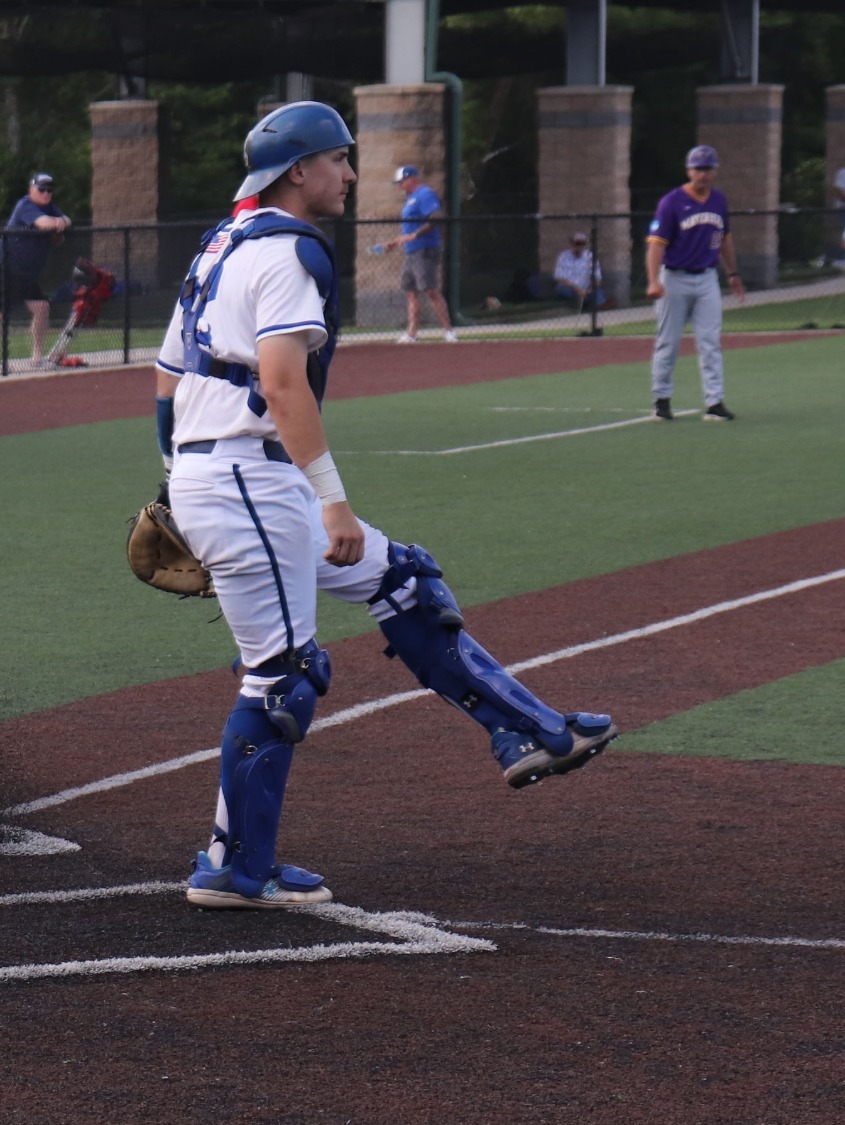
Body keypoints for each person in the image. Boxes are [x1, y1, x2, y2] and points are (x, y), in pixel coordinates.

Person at [152, 102, 617, 910]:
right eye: (339, 159)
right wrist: (331, 502)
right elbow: (282, 383)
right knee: (282, 680)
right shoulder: (287, 252)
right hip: (249, 482)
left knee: (404, 580)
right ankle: (233, 869)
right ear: (299, 171)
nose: (352, 173)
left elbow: (166, 379)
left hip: (234, 478)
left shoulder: (221, 244)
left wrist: (176, 479)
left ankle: (528, 731)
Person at [645, 144, 745, 423]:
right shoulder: (671, 202)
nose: (703, 173)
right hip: (674, 278)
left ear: (715, 171)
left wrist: (733, 273)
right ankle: (661, 400)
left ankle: (714, 402)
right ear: (689, 171)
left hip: (706, 278)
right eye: (698, 168)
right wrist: (653, 280)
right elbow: (656, 246)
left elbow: (724, 238)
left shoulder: (719, 201)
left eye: (708, 168)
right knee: (668, 341)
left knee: (710, 341)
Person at [0, 172, 71, 369]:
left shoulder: (49, 208)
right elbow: (45, 224)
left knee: (42, 308)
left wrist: (61, 222)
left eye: (49, 190)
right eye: (41, 189)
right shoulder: (25, 205)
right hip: (4, 264)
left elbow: (66, 219)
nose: (46, 193)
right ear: (31, 190)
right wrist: (57, 223)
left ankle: (37, 357)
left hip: (26, 273)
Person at [379, 164, 455, 344]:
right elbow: (409, 230)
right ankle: (412, 333)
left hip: (425, 249)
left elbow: (436, 217)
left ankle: (449, 331)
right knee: (411, 292)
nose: (399, 186)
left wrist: (416, 235)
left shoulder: (424, 194)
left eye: (401, 182)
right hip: (411, 251)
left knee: (430, 290)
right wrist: (396, 242)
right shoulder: (410, 198)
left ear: (411, 178)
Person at [552, 231, 602, 310]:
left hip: (586, 288)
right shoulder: (563, 256)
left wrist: (589, 290)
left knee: (599, 294)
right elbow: (559, 279)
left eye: (582, 244)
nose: (579, 247)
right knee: (563, 290)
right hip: (570, 288)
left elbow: (598, 279)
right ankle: (581, 306)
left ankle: (592, 308)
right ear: (572, 244)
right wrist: (577, 289)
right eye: (577, 244)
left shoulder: (591, 256)